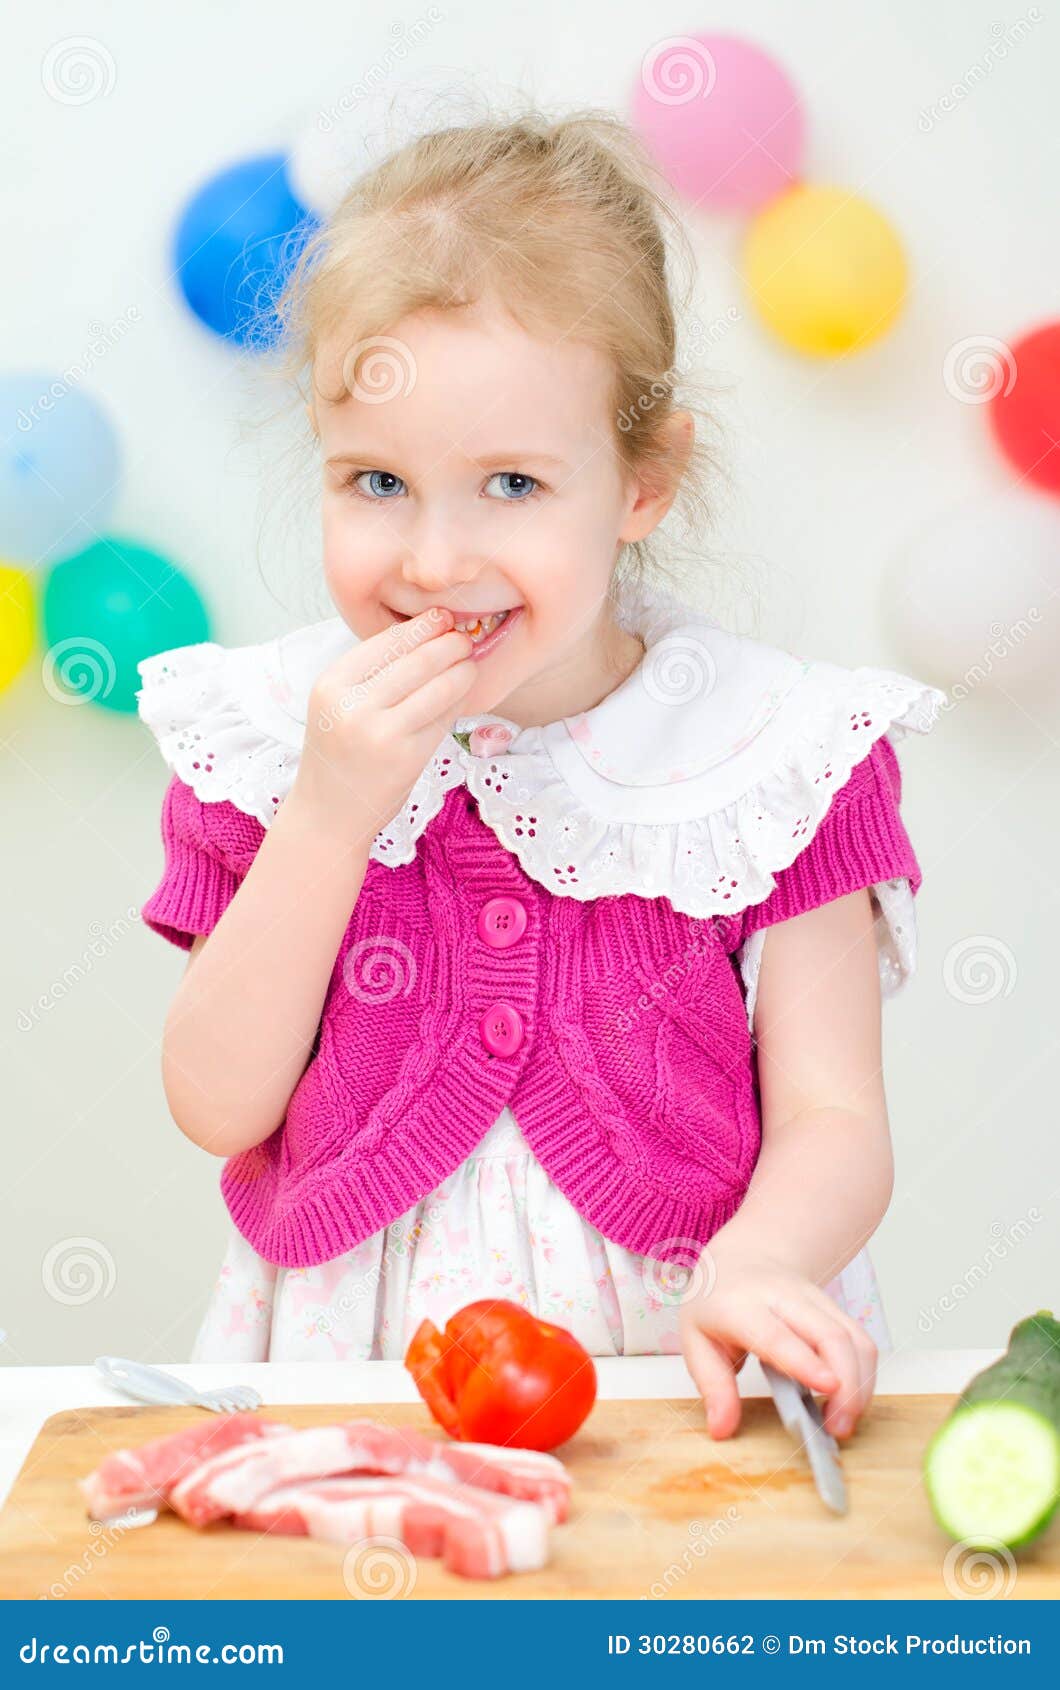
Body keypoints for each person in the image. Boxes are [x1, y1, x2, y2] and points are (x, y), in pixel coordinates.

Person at [136, 108, 945, 1443]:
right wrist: (332, 818)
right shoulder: (271, 738)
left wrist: (761, 1258)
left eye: (511, 481)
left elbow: (836, 1112)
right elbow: (217, 1101)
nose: (437, 557)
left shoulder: (779, 755)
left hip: (683, 1368)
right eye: (377, 480)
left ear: (642, 479)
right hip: (361, 1368)